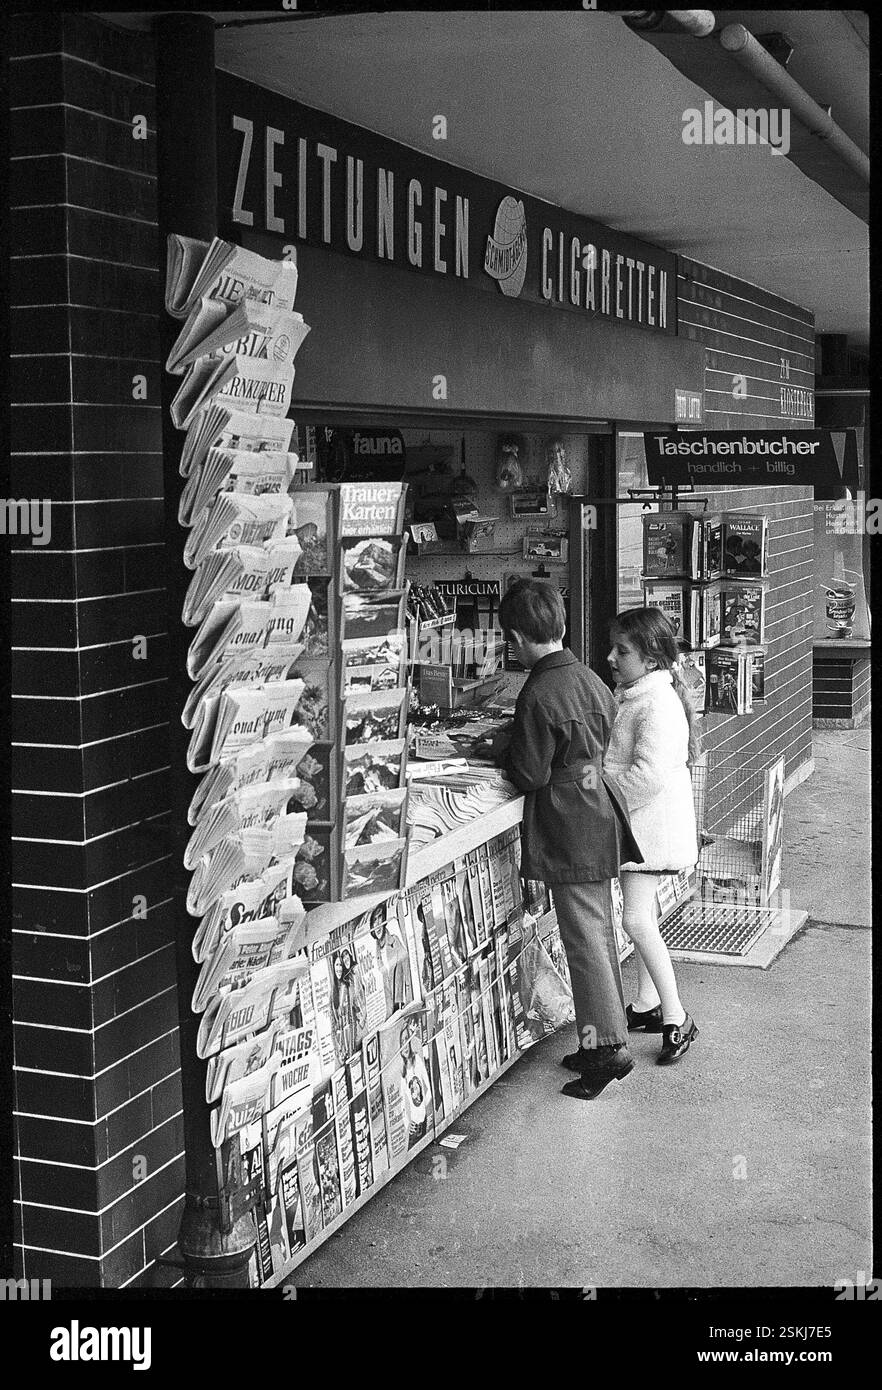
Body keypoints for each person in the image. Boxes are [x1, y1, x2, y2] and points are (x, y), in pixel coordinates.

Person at [494, 579, 644, 1101]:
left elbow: (531, 774)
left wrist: (502, 748)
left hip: (568, 821)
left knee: (584, 941)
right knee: (597, 934)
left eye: (509, 640)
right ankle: (601, 1038)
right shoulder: (588, 678)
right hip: (598, 809)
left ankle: (608, 1052)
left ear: (517, 637)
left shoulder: (537, 691)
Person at [604, 607, 700, 1064]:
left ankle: (677, 1016)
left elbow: (647, 777)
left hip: (649, 832)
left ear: (651, 657)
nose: (610, 657)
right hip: (646, 830)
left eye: (622, 651)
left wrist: (599, 789)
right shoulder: (637, 694)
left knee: (636, 922)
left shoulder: (654, 704)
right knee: (644, 917)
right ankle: (646, 1003)